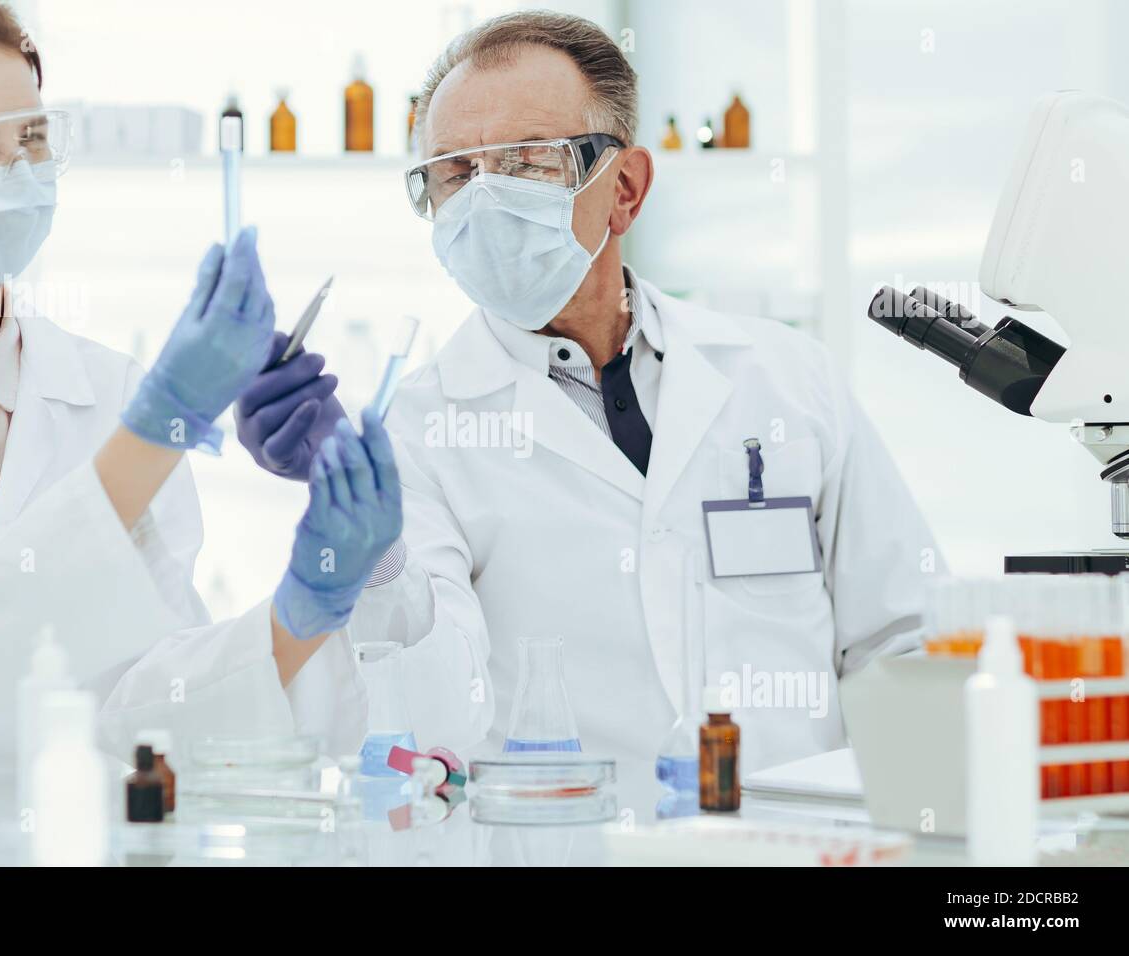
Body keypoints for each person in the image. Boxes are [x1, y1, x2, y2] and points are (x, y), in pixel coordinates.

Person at [236, 11, 941, 772]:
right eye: (455, 173)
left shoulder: (788, 378)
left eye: (527, 163)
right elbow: (434, 708)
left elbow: (903, 637)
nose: (483, 200)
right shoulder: (416, 430)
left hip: (796, 839)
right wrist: (370, 546)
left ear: (626, 189)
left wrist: (888, 820)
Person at [0, 0, 400, 772]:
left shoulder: (102, 390)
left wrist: (303, 610)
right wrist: (160, 426)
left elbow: (141, 710)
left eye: (31, 141)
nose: (17, 177)